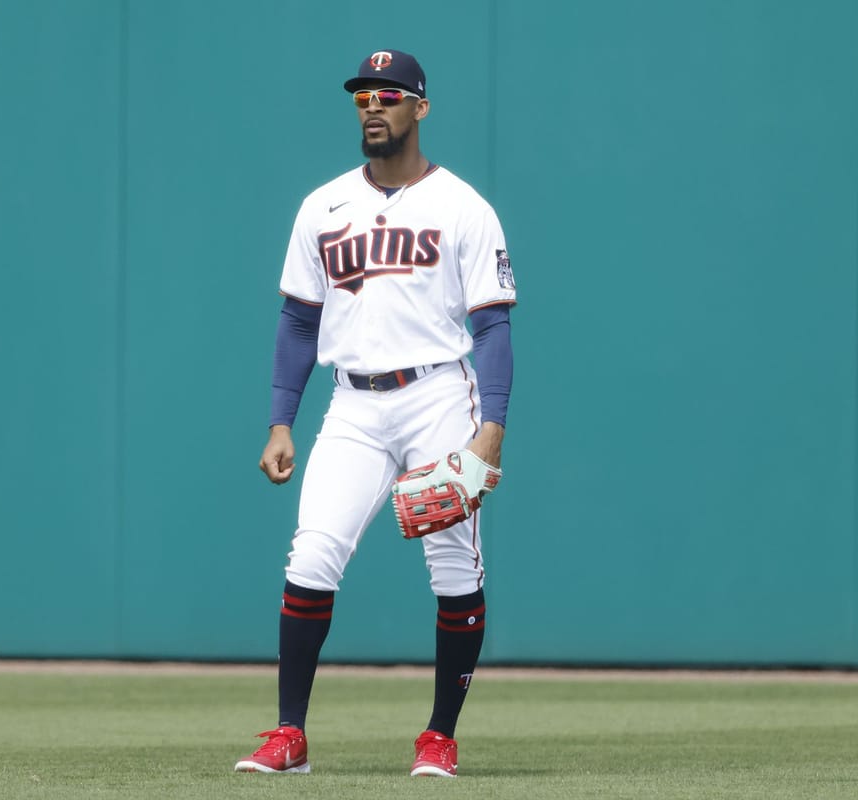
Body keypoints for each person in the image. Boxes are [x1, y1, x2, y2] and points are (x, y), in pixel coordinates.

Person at [234, 49, 516, 778]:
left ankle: (439, 737)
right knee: (312, 553)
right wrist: (279, 420)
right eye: (363, 95)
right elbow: (298, 322)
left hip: (438, 395)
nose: (373, 106)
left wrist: (490, 432)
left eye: (389, 95)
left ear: (419, 108)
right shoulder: (323, 206)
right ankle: (288, 735)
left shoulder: (463, 207)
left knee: (452, 562)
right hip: (353, 400)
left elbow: (492, 329)